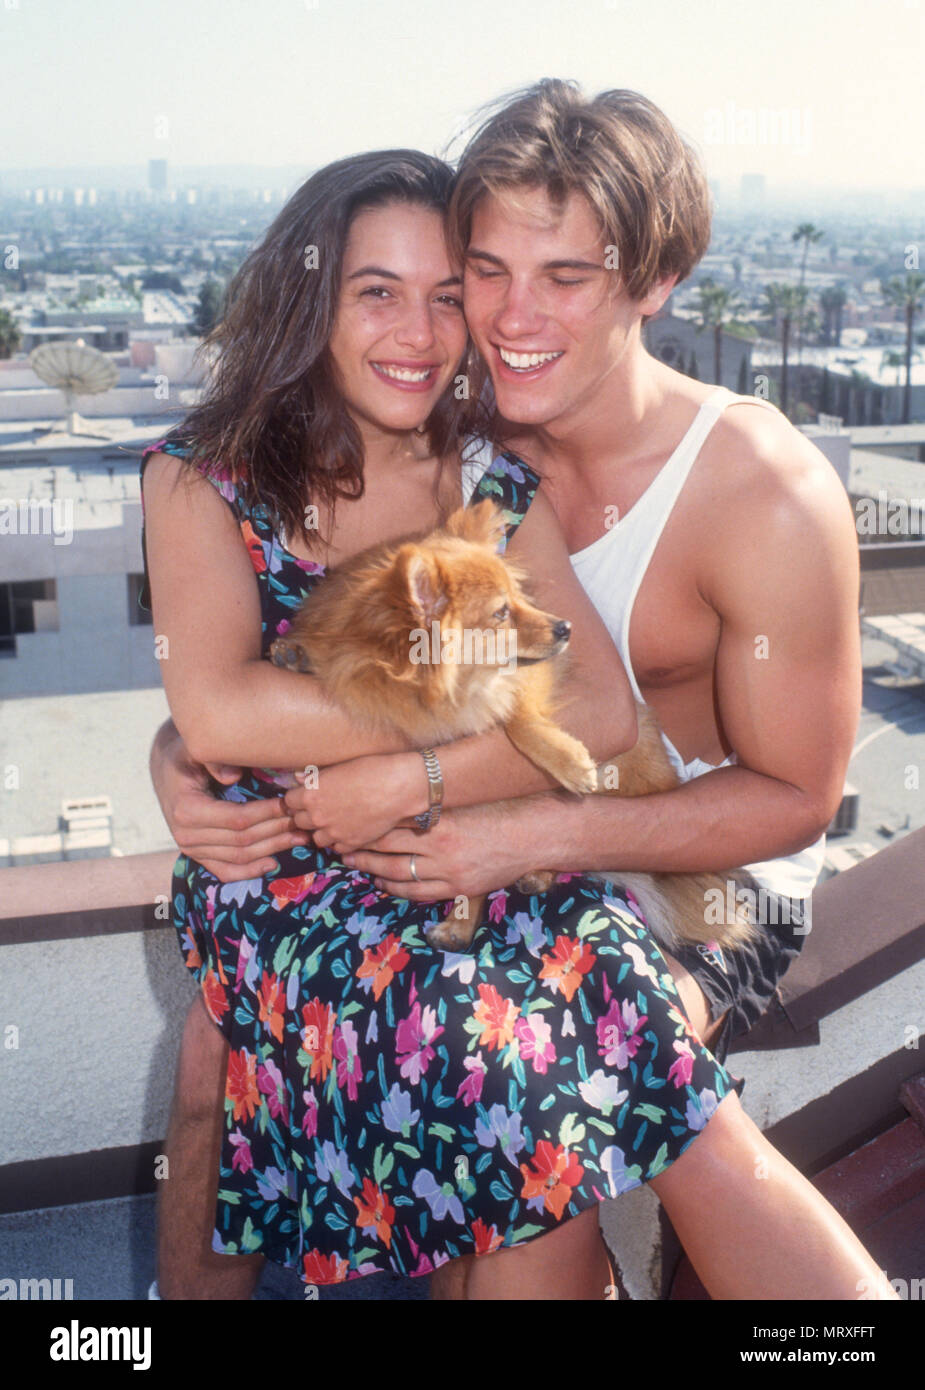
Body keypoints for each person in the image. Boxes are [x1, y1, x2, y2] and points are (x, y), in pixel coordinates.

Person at [145, 110, 893, 1302]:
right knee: (232, 1044)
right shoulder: (470, 427)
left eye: (563, 276)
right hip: (499, 835)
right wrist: (190, 742)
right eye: (486, 271)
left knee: (577, 1085)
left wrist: (487, 817)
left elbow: (789, 795)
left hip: (703, 863)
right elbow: (314, 652)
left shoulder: (760, 490)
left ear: (652, 282)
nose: (504, 316)